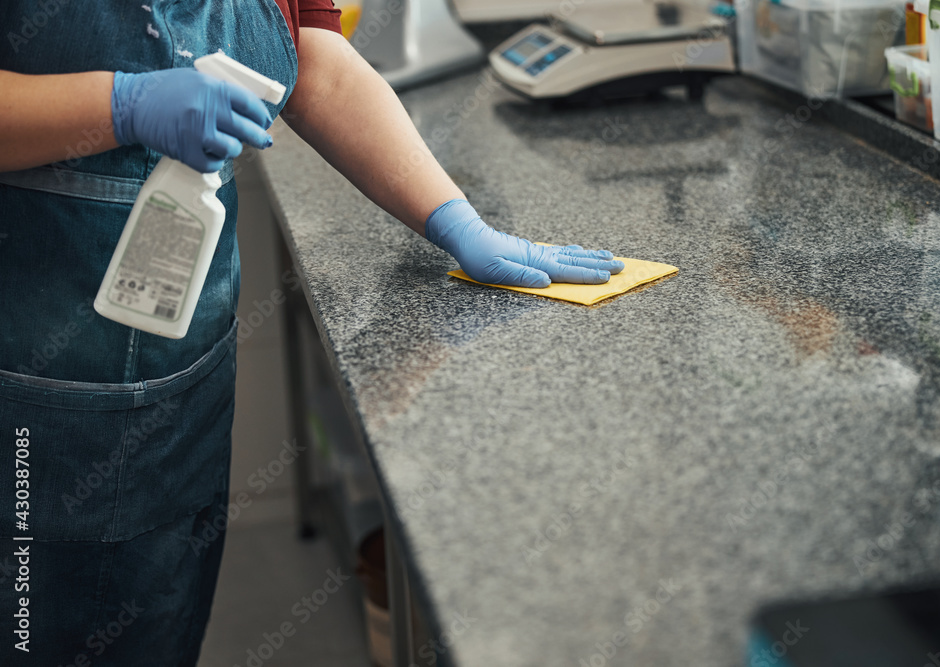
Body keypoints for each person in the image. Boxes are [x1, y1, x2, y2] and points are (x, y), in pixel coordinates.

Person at [0, 1, 624, 664]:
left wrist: (457, 222)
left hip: (184, 386)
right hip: (31, 405)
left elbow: (317, 66)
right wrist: (121, 105)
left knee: (155, 624)